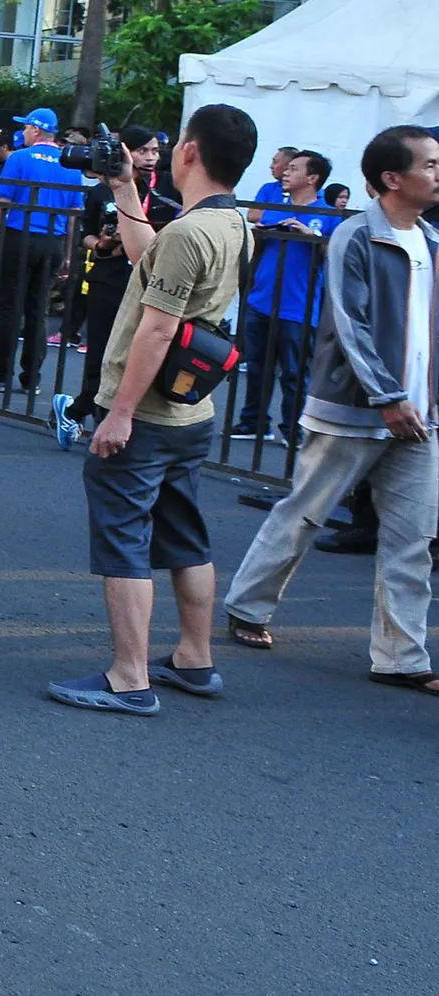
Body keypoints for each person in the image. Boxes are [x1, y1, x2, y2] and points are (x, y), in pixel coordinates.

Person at [46, 103, 257, 717]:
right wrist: (124, 188)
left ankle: (128, 677)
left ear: (190, 151)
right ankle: (194, 658)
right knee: (186, 536)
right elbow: (150, 262)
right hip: (191, 412)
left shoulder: (191, 233)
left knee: (124, 540)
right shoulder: (232, 224)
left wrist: (119, 413)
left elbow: (158, 328)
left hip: (147, 416)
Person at [222, 126, 439, 691]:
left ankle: (401, 658)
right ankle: (248, 605)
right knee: (305, 512)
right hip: (353, 409)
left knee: (413, 540)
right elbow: (348, 322)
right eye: (430, 165)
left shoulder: (431, 240)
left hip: (419, 417)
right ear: (393, 178)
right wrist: (388, 396)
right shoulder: (355, 236)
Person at [56, 127, 178, 447]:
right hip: (109, 277)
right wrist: (103, 244)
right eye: (142, 151)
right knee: (103, 351)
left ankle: (83, 410)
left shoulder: (168, 187)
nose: (150, 157)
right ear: (125, 152)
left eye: (155, 151)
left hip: (153, 280)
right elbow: (86, 235)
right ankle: (95, 416)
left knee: (141, 350)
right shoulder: (102, 190)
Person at [233, 149, 332, 443]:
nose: (286, 173)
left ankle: (293, 429)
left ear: (313, 178)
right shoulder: (276, 206)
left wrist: (311, 236)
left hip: (298, 307)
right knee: (256, 368)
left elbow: (334, 256)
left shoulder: (327, 213)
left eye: (294, 169)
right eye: (286, 168)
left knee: (294, 373)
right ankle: (253, 422)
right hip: (261, 300)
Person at [0, 107, 83, 394]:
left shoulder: (19, 158)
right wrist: (68, 253)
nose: (24, 132)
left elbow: (1, 205)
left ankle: (1, 372)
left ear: (36, 130)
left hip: (19, 237)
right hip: (53, 239)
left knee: (10, 307)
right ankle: (31, 378)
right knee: (38, 310)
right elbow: (74, 215)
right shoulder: (69, 164)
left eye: (26, 128)